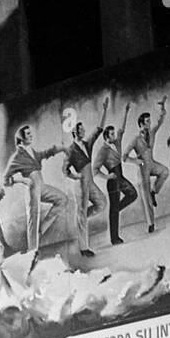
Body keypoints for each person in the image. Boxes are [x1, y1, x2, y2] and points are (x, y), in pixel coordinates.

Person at [3, 124, 71, 254]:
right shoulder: (17, 156)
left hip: (42, 186)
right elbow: (5, 179)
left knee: (62, 199)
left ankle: (42, 229)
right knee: (32, 222)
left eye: (30, 133)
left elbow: (45, 153)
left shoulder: (31, 151)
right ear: (21, 138)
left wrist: (60, 148)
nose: (31, 135)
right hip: (32, 190)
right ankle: (32, 253)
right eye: (28, 134)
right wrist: (21, 180)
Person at [63, 98, 108, 257]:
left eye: (83, 129)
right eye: (81, 130)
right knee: (81, 215)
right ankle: (84, 248)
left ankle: (80, 219)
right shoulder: (70, 150)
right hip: (80, 185)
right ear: (75, 132)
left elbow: (99, 131)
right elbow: (64, 170)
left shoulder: (87, 144)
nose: (84, 131)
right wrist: (75, 176)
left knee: (102, 203)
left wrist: (105, 110)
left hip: (90, 182)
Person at [92, 105, 139, 244]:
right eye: (111, 134)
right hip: (113, 181)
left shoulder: (117, 142)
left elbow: (122, 130)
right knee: (114, 210)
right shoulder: (103, 150)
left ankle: (116, 209)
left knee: (133, 194)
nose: (114, 136)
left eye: (114, 134)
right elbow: (95, 169)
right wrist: (107, 176)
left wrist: (125, 111)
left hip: (121, 177)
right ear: (106, 136)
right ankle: (114, 238)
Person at [125, 98, 169, 232]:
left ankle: (154, 191)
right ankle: (151, 224)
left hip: (152, 164)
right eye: (147, 121)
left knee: (165, 171)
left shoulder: (152, 132)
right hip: (142, 169)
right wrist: (135, 161)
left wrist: (162, 108)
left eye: (150, 121)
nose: (150, 123)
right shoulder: (135, 139)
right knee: (147, 200)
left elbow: (161, 121)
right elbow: (124, 157)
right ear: (141, 124)